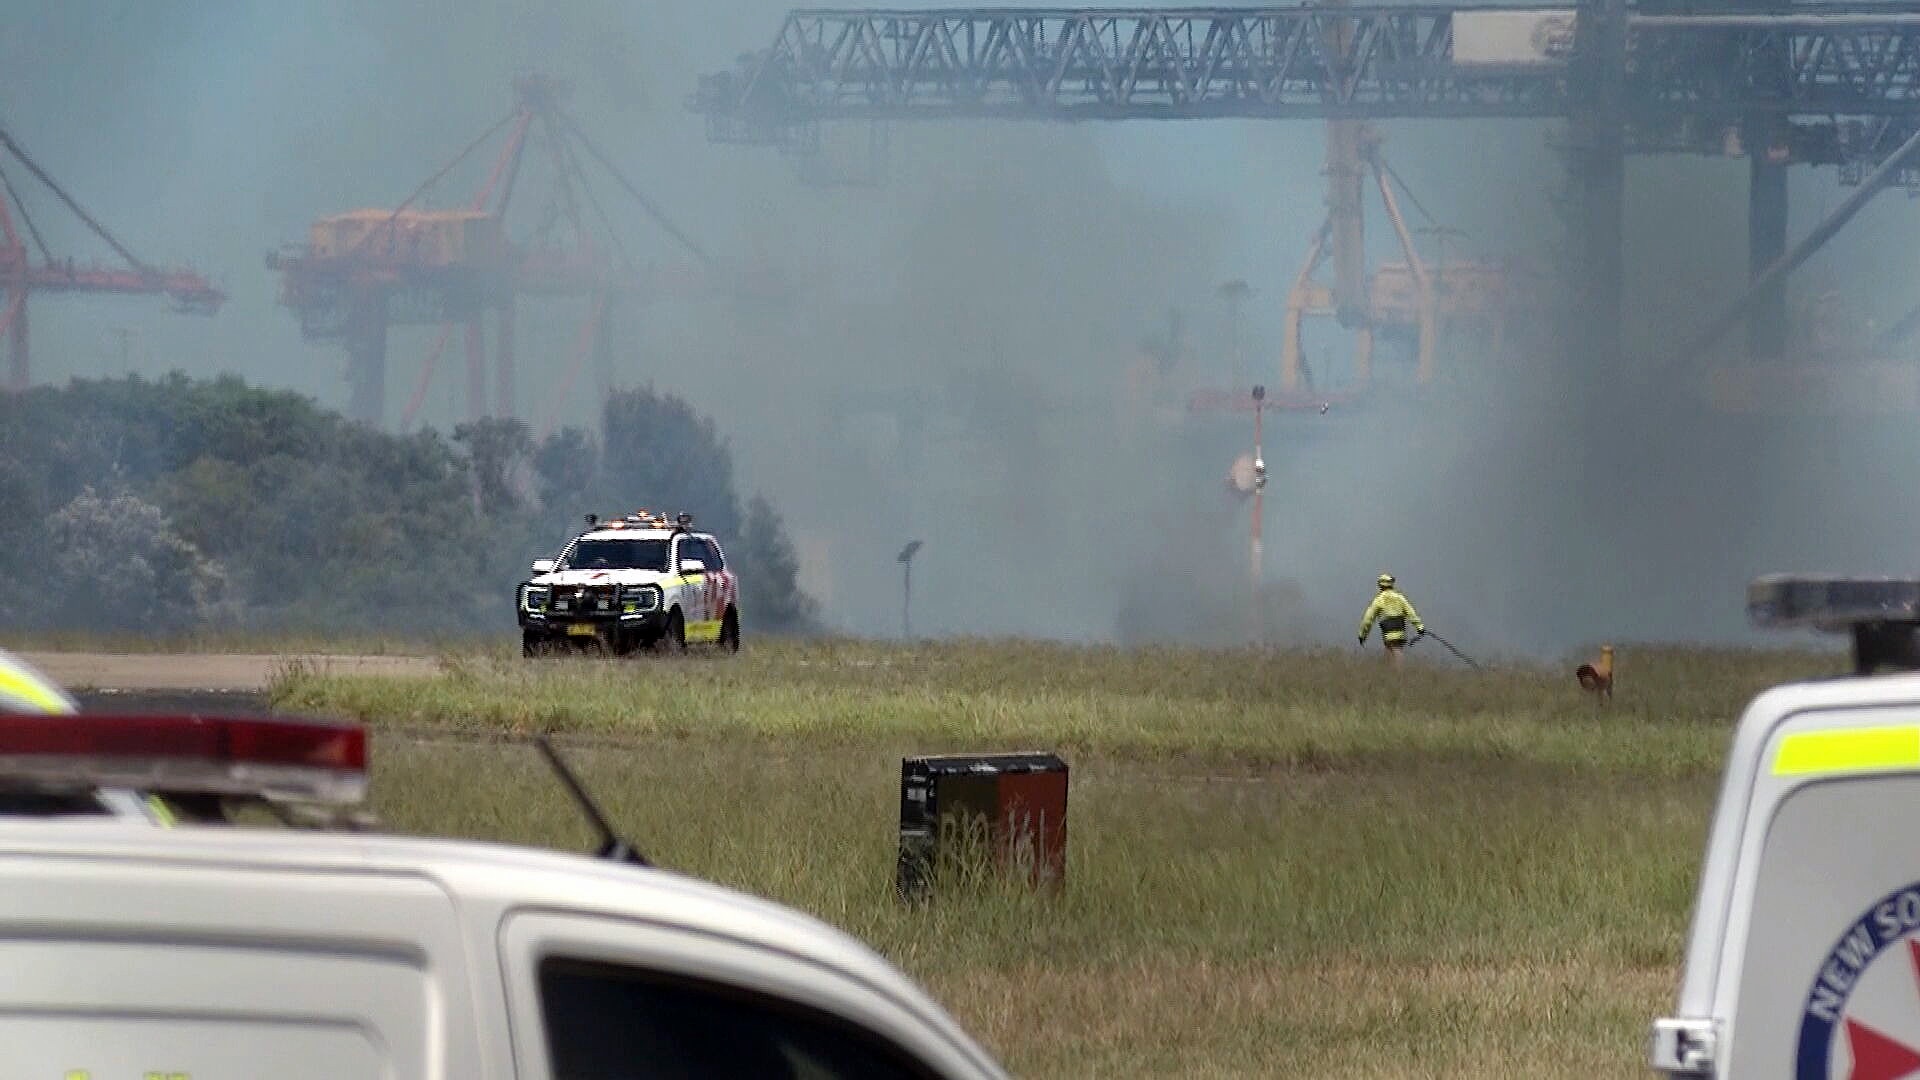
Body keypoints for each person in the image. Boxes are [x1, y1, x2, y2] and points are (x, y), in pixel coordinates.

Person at [1357, 573, 1424, 666]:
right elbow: (1411, 612)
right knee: (1391, 649)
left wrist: (1362, 634)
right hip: (1400, 627)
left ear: (1380, 585)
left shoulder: (1378, 600)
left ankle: (1399, 674)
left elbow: (1368, 619)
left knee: (1395, 649)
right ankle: (1388, 674)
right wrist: (1419, 627)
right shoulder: (1400, 597)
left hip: (1388, 628)